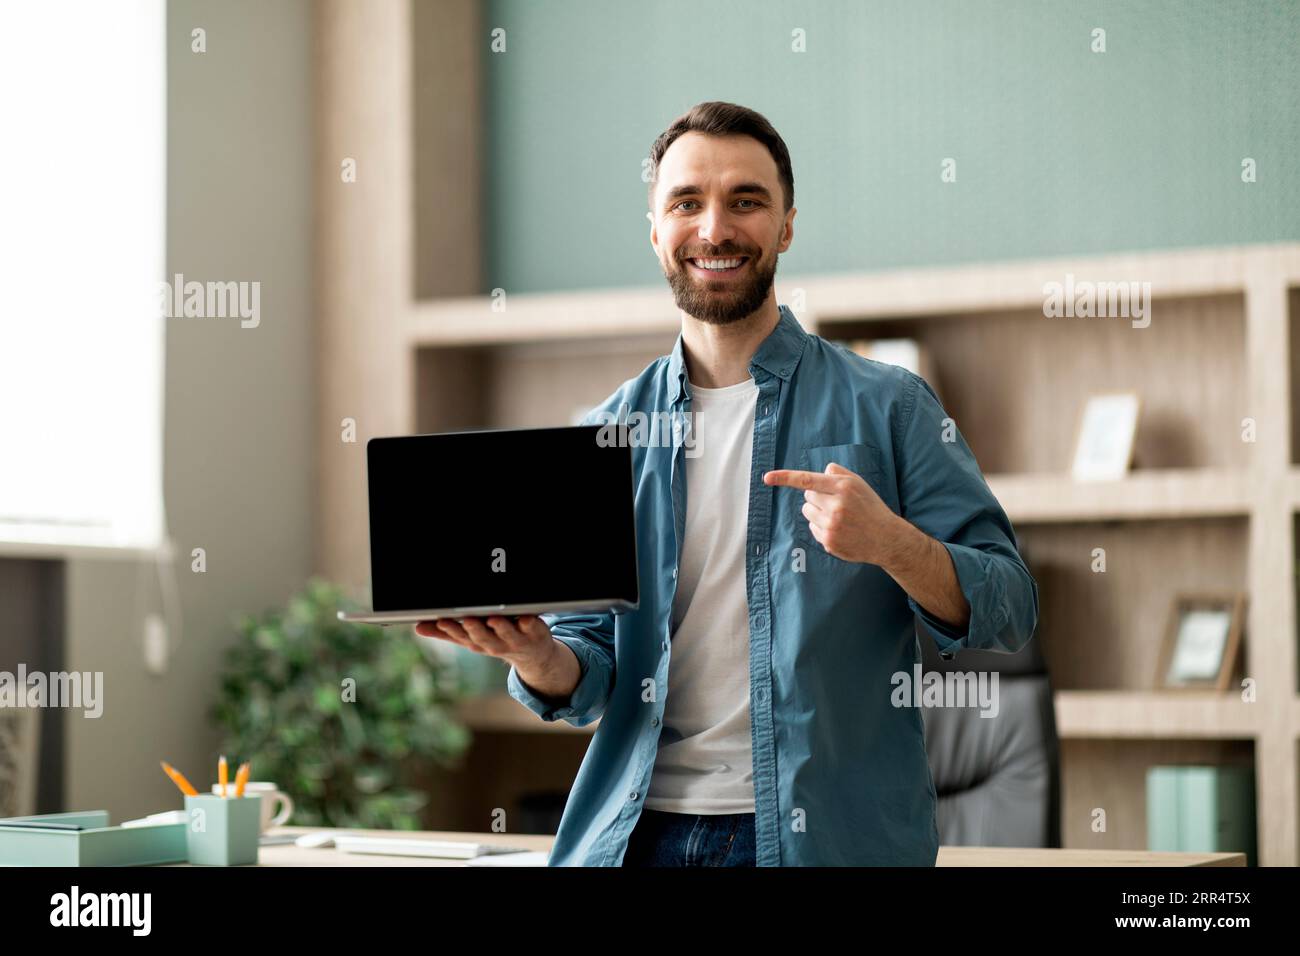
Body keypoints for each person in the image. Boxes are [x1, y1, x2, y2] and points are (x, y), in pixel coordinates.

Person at [416, 101, 1038, 866]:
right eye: (687, 203)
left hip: (821, 844)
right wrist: (536, 656)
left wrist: (894, 545)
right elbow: (589, 670)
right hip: (637, 837)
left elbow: (1010, 607)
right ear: (655, 231)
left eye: (746, 201)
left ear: (786, 227)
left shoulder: (891, 406)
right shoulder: (604, 432)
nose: (715, 230)